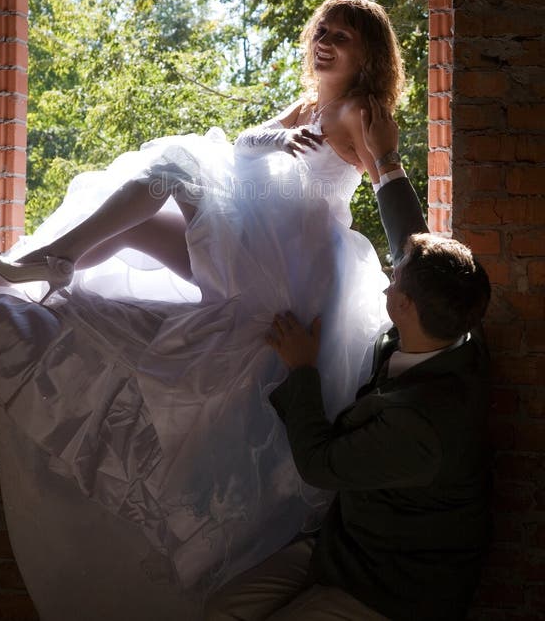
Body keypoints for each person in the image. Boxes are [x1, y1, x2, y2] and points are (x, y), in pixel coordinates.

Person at [0, 0, 403, 597]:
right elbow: (246, 144)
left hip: (287, 272)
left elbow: (390, 180)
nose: (324, 39)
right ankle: (49, 266)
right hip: (252, 249)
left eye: (344, 35)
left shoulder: (361, 111)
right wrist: (280, 141)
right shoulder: (311, 104)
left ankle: (54, 261)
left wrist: (412, 258)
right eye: (322, 28)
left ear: (369, 54)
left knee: (170, 171)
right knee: (144, 217)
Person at [205, 98, 492, 621]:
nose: (388, 271)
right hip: (342, 545)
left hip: (395, 586)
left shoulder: (426, 426)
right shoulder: (450, 326)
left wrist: (302, 369)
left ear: (402, 305)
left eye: (395, 276)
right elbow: (411, 244)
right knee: (220, 610)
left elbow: (319, 466)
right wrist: (387, 161)